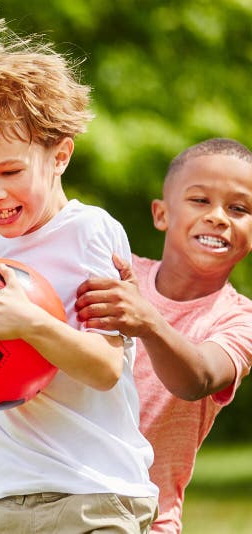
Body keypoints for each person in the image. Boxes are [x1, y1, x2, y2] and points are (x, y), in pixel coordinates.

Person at [0, 9, 158, 533]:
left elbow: (106, 369)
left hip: (91, 492)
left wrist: (29, 323)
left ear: (60, 155)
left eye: (10, 171)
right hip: (6, 493)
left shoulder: (90, 233)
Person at [75, 137, 252, 534]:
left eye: (239, 208)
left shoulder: (240, 320)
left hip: (143, 518)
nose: (219, 217)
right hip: (58, 499)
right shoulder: (115, 273)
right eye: (200, 200)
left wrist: (148, 322)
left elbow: (198, 379)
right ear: (162, 214)